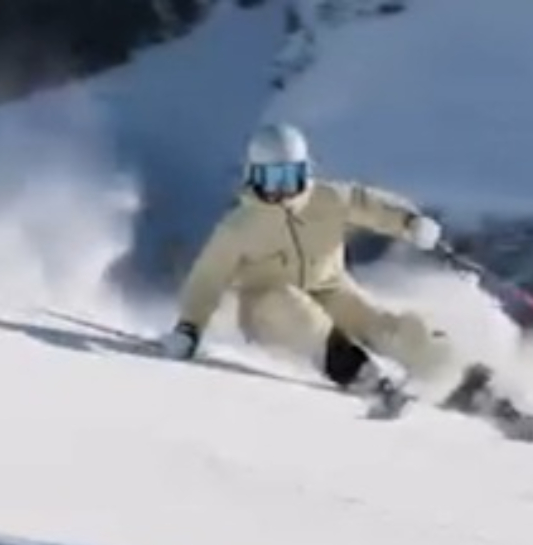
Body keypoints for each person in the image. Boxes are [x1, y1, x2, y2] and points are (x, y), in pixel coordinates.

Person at [155, 122, 477, 418]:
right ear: (254, 177)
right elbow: (208, 278)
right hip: (267, 308)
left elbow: (369, 205)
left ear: (304, 172)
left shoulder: (326, 199)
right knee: (295, 310)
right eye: (272, 178)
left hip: (330, 287)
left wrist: (409, 223)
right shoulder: (239, 226)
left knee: (383, 325)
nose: (281, 189)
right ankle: (364, 377)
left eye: (289, 177)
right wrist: (189, 329)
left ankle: (469, 384)